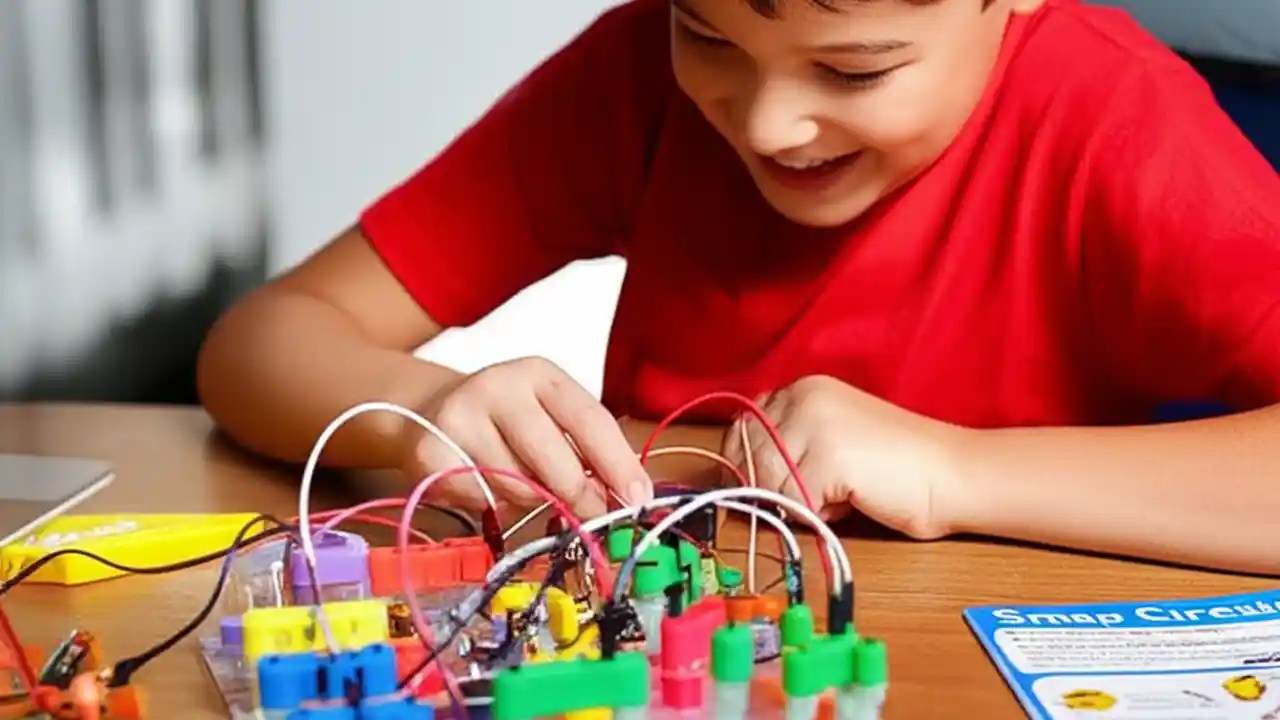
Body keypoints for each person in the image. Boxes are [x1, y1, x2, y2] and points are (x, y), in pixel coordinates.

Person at [197, 0, 1280, 575]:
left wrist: (951, 470)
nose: (763, 125)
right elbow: (259, 343)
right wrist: (421, 409)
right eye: (704, 35)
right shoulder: (629, 82)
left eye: (854, 69)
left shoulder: (1118, 127)